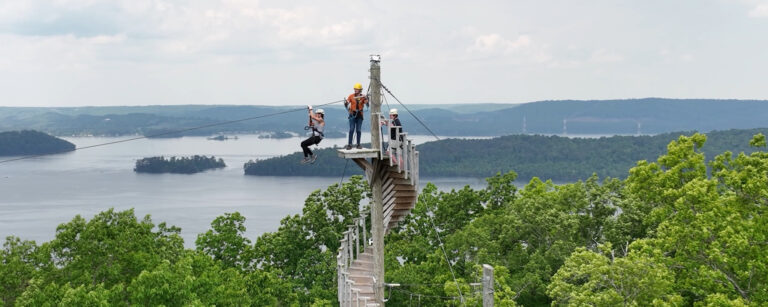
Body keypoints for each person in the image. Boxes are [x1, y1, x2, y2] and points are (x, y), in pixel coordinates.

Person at [345, 83, 368, 150]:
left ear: (360, 90)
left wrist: (366, 98)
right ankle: (349, 144)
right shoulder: (351, 96)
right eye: (355, 89)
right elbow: (347, 102)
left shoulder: (362, 97)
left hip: (359, 115)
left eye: (357, 89)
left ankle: (358, 144)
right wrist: (346, 103)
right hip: (352, 114)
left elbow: (367, 103)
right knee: (351, 129)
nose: (355, 90)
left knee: (358, 130)